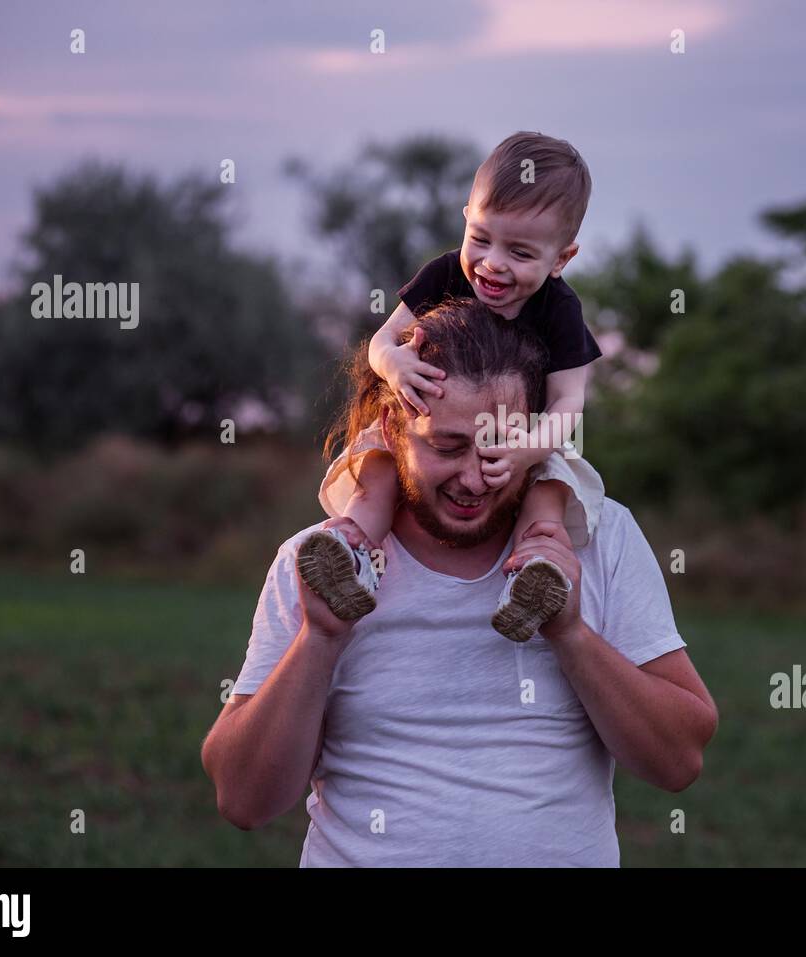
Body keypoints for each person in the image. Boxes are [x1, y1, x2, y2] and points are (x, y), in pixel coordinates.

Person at [201, 298, 717, 867]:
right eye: (446, 448)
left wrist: (570, 634)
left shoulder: (598, 536)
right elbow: (244, 799)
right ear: (394, 427)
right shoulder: (319, 560)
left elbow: (679, 761)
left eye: (499, 450)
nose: (474, 478)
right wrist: (318, 640)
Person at [298, 131, 603, 643]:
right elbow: (382, 340)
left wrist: (530, 452)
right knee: (377, 468)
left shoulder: (560, 309)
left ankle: (531, 578)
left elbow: (570, 400)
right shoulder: (444, 273)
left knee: (549, 492)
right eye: (481, 238)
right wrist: (394, 365)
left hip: (525, 437)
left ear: (560, 259)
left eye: (521, 252)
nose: (493, 264)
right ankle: (351, 555)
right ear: (466, 218)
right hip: (424, 419)